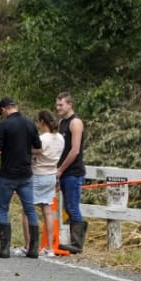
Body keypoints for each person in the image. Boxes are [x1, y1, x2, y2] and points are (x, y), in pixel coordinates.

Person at [0, 97, 42, 258]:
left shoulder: (3, 125)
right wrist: (25, 151)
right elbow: (38, 149)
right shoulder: (30, 124)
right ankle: (33, 249)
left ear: (4, 109)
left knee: (2, 209)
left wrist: (9, 150)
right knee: (30, 210)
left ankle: (4, 249)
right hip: (26, 175)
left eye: (2, 112)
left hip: (7, 175)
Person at [55, 92, 87, 253]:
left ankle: (77, 243)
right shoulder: (62, 122)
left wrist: (60, 169)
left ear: (70, 104)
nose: (58, 107)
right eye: (57, 104)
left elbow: (74, 150)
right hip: (63, 171)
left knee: (72, 207)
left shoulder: (76, 123)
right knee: (68, 207)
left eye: (61, 104)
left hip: (73, 171)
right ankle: (73, 239)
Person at [32, 110, 65, 256]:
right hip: (51, 174)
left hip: (38, 174)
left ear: (42, 122)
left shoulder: (42, 139)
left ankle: (31, 245)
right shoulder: (60, 138)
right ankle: (50, 248)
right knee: (48, 210)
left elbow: (34, 152)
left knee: (29, 210)